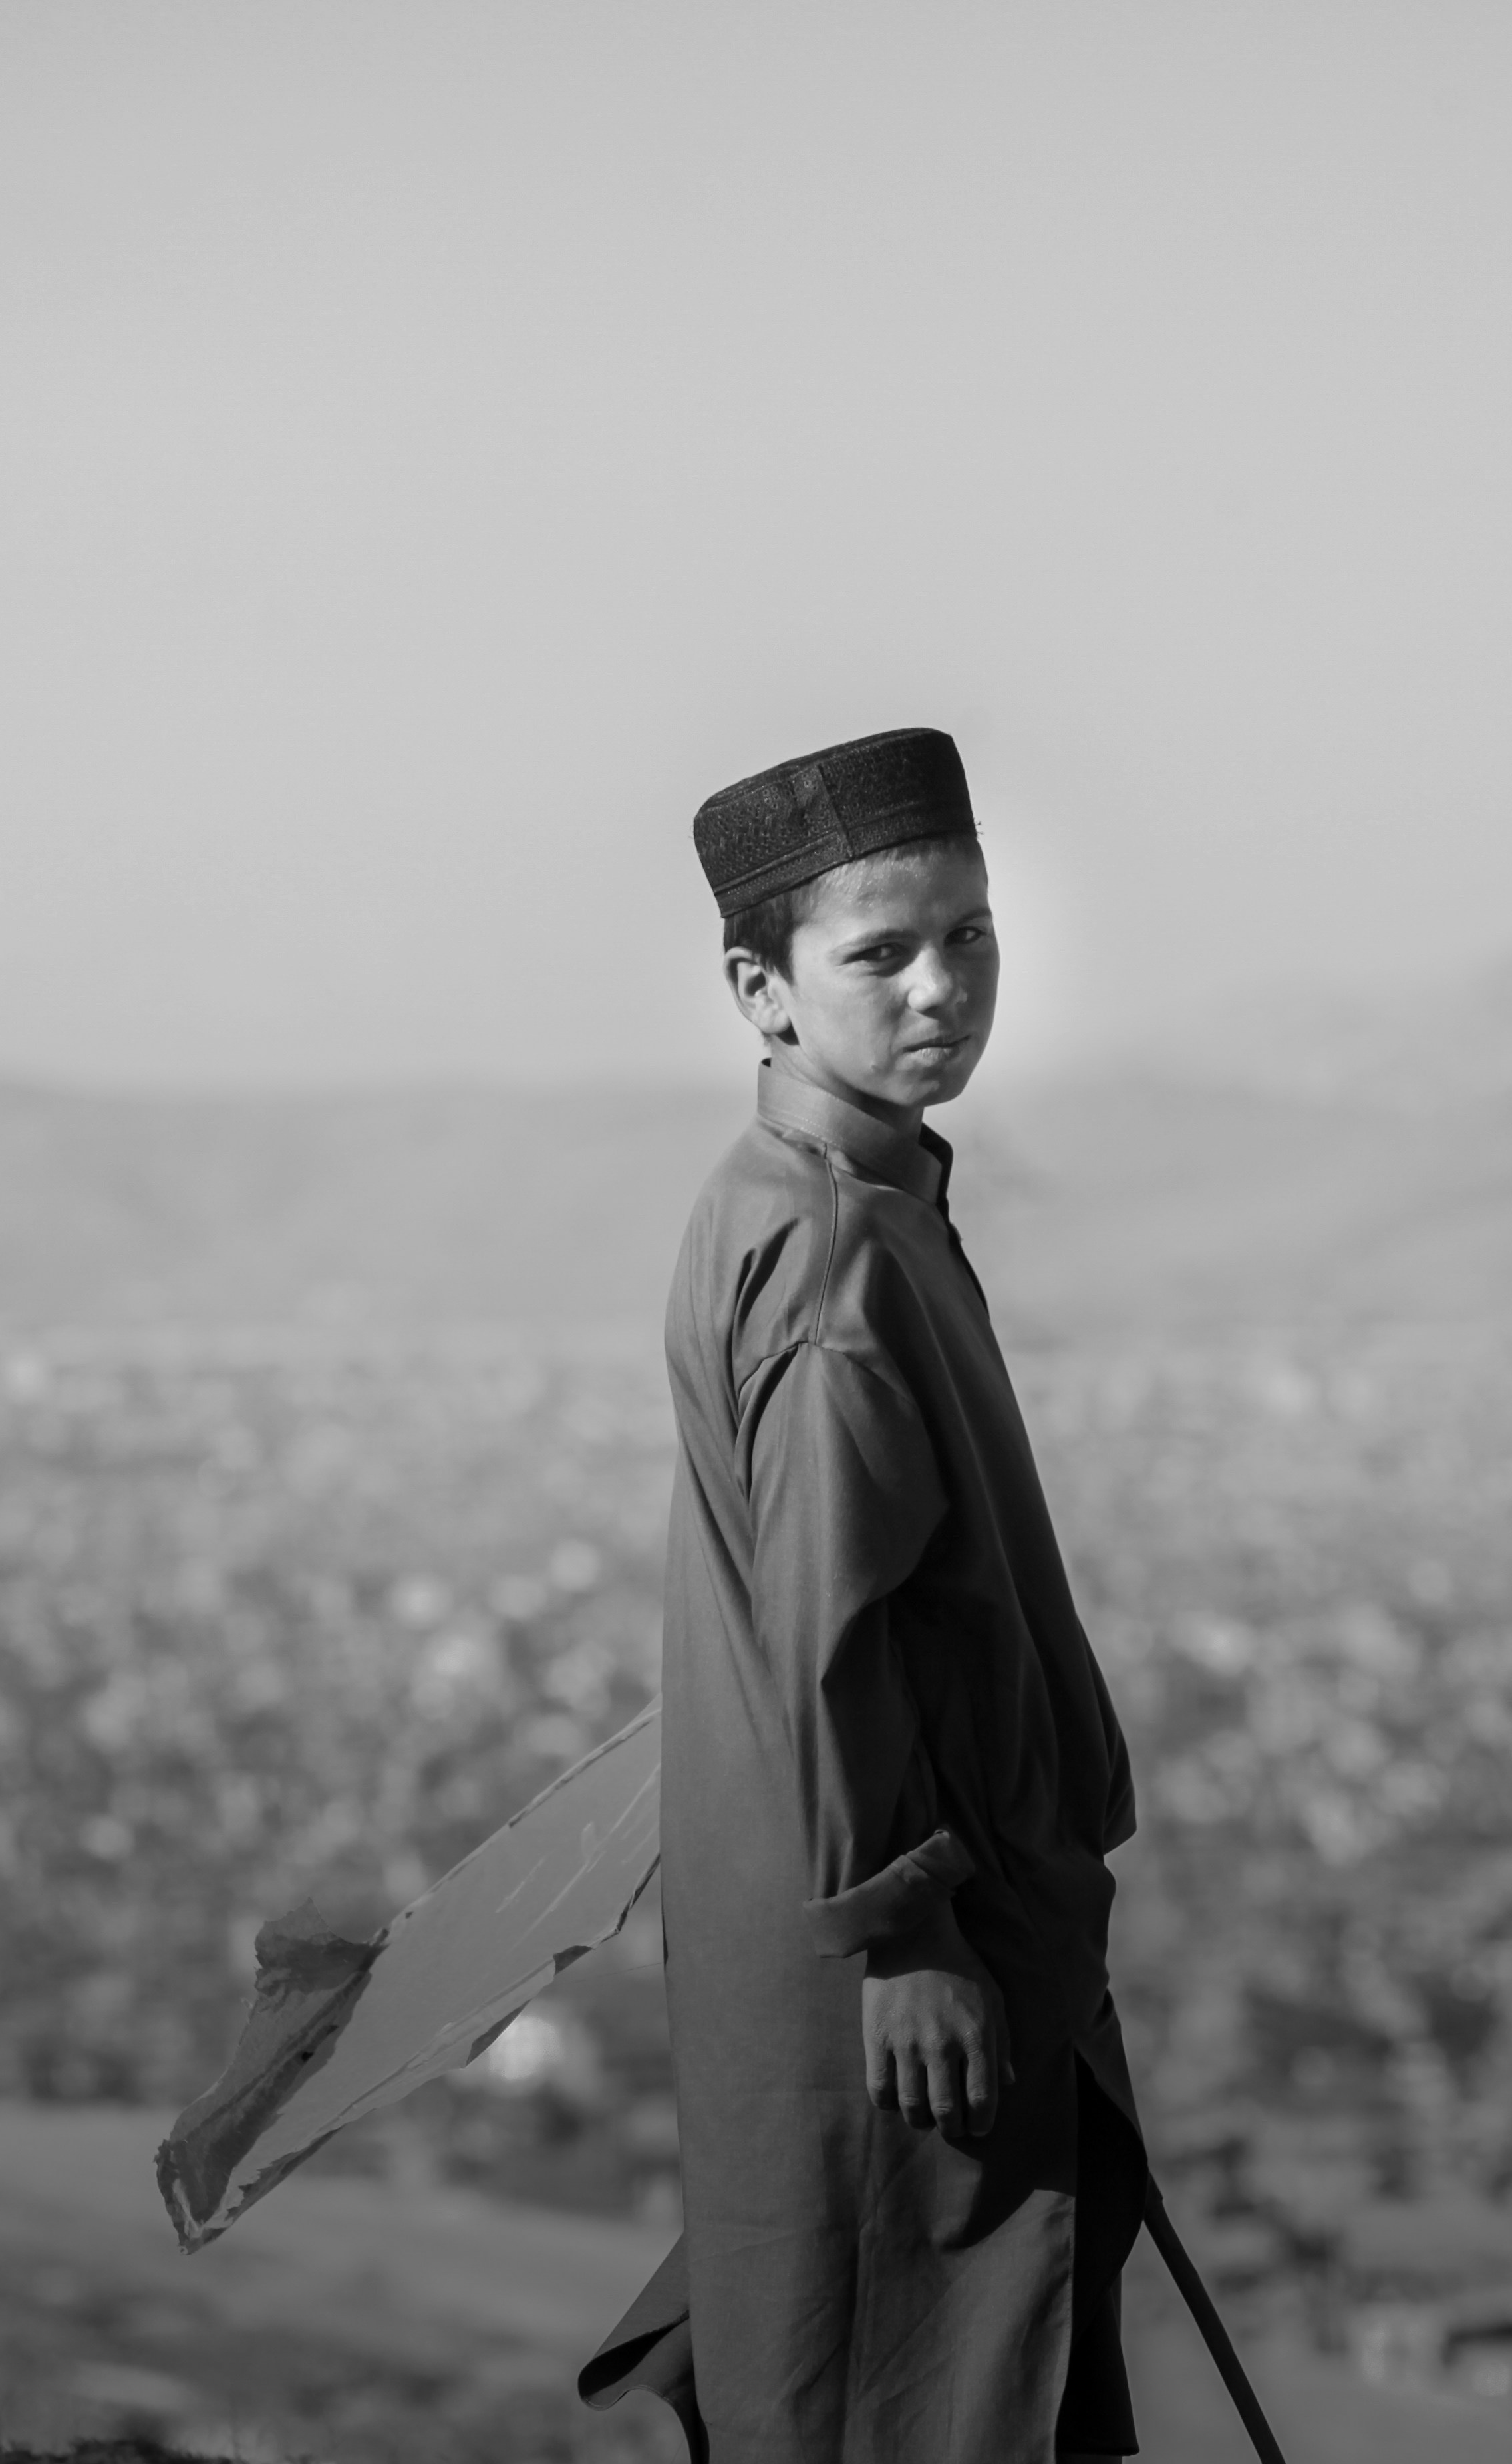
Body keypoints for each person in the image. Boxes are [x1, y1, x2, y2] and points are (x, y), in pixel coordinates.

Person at [581, 728, 1155, 2461]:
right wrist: (905, 1939)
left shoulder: (800, 1200)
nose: (941, 989)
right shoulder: (836, 1261)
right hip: (901, 1947)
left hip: (858, 1908)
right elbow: (834, 1636)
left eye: (969, 937)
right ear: (761, 988)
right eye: (880, 954)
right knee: (924, 2385)